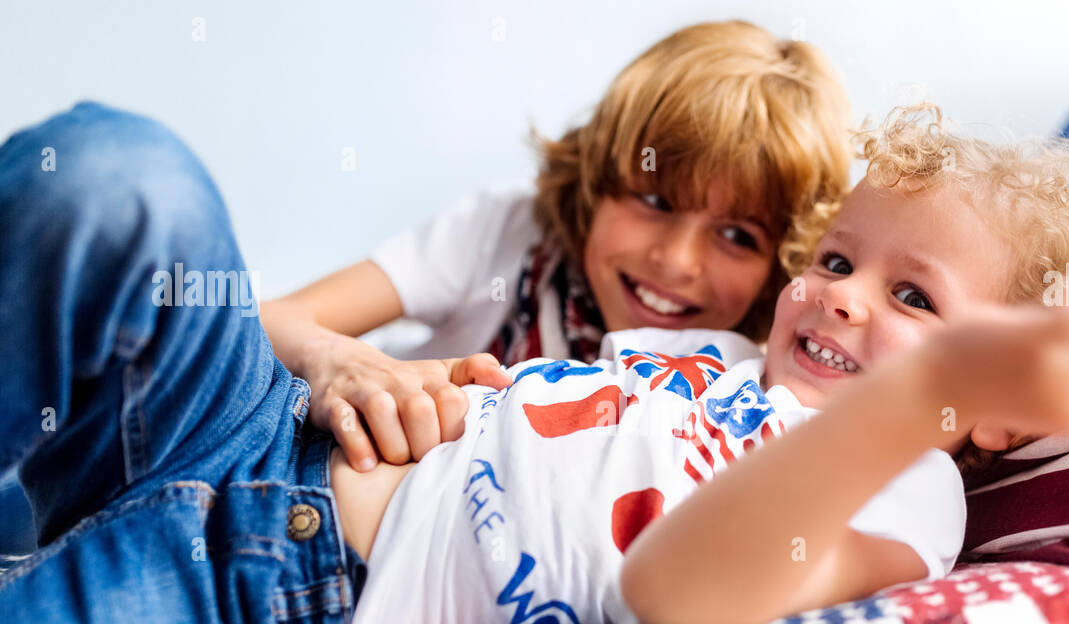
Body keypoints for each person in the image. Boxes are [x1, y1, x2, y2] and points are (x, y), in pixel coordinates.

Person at [0, 101, 1069, 624]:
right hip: (253, 421)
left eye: (915, 299)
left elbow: (683, 589)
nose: (844, 295)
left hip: (259, 601)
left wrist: (928, 383)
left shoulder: (909, 494)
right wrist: (382, 373)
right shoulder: (712, 352)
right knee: (119, 174)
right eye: (840, 259)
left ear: (999, 408)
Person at [259, 19, 852, 476]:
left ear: (782, 266)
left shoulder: (752, 376)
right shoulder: (514, 231)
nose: (675, 261)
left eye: (736, 236)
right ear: (597, 181)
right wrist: (334, 361)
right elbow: (268, 319)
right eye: (655, 201)